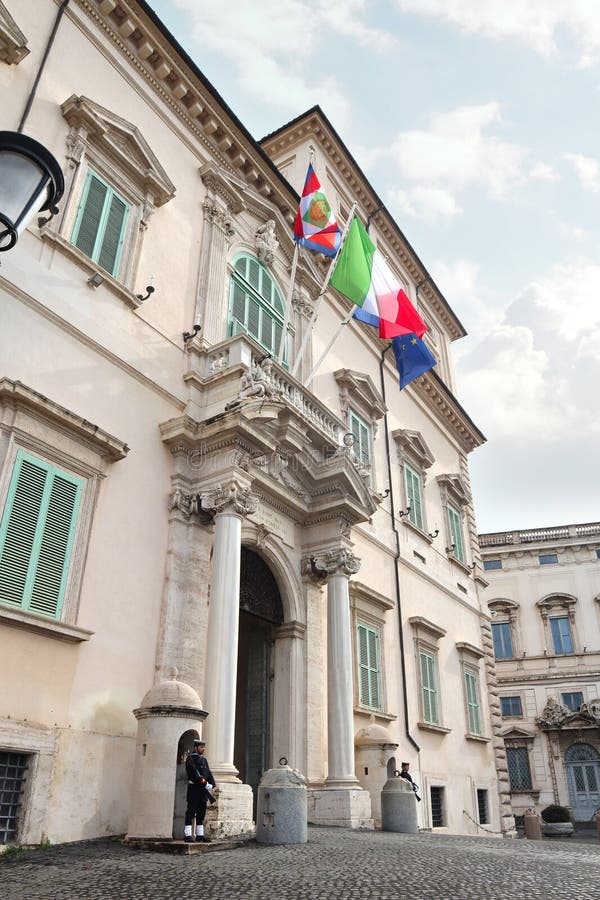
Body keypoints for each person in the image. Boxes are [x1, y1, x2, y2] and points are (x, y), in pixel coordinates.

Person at [184, 739, 216, 842]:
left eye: (203, 747)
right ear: (195, 747)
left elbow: (208, 772)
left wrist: (212, 784)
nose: (203, 749)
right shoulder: (190, 759)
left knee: (201, 813)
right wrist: (205, 784)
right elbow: (193, 774)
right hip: (194, 789)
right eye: (201, 747)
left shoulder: (204, 760)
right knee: (191, 812)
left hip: (203, 791)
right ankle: (187, 835)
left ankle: (200, 835)